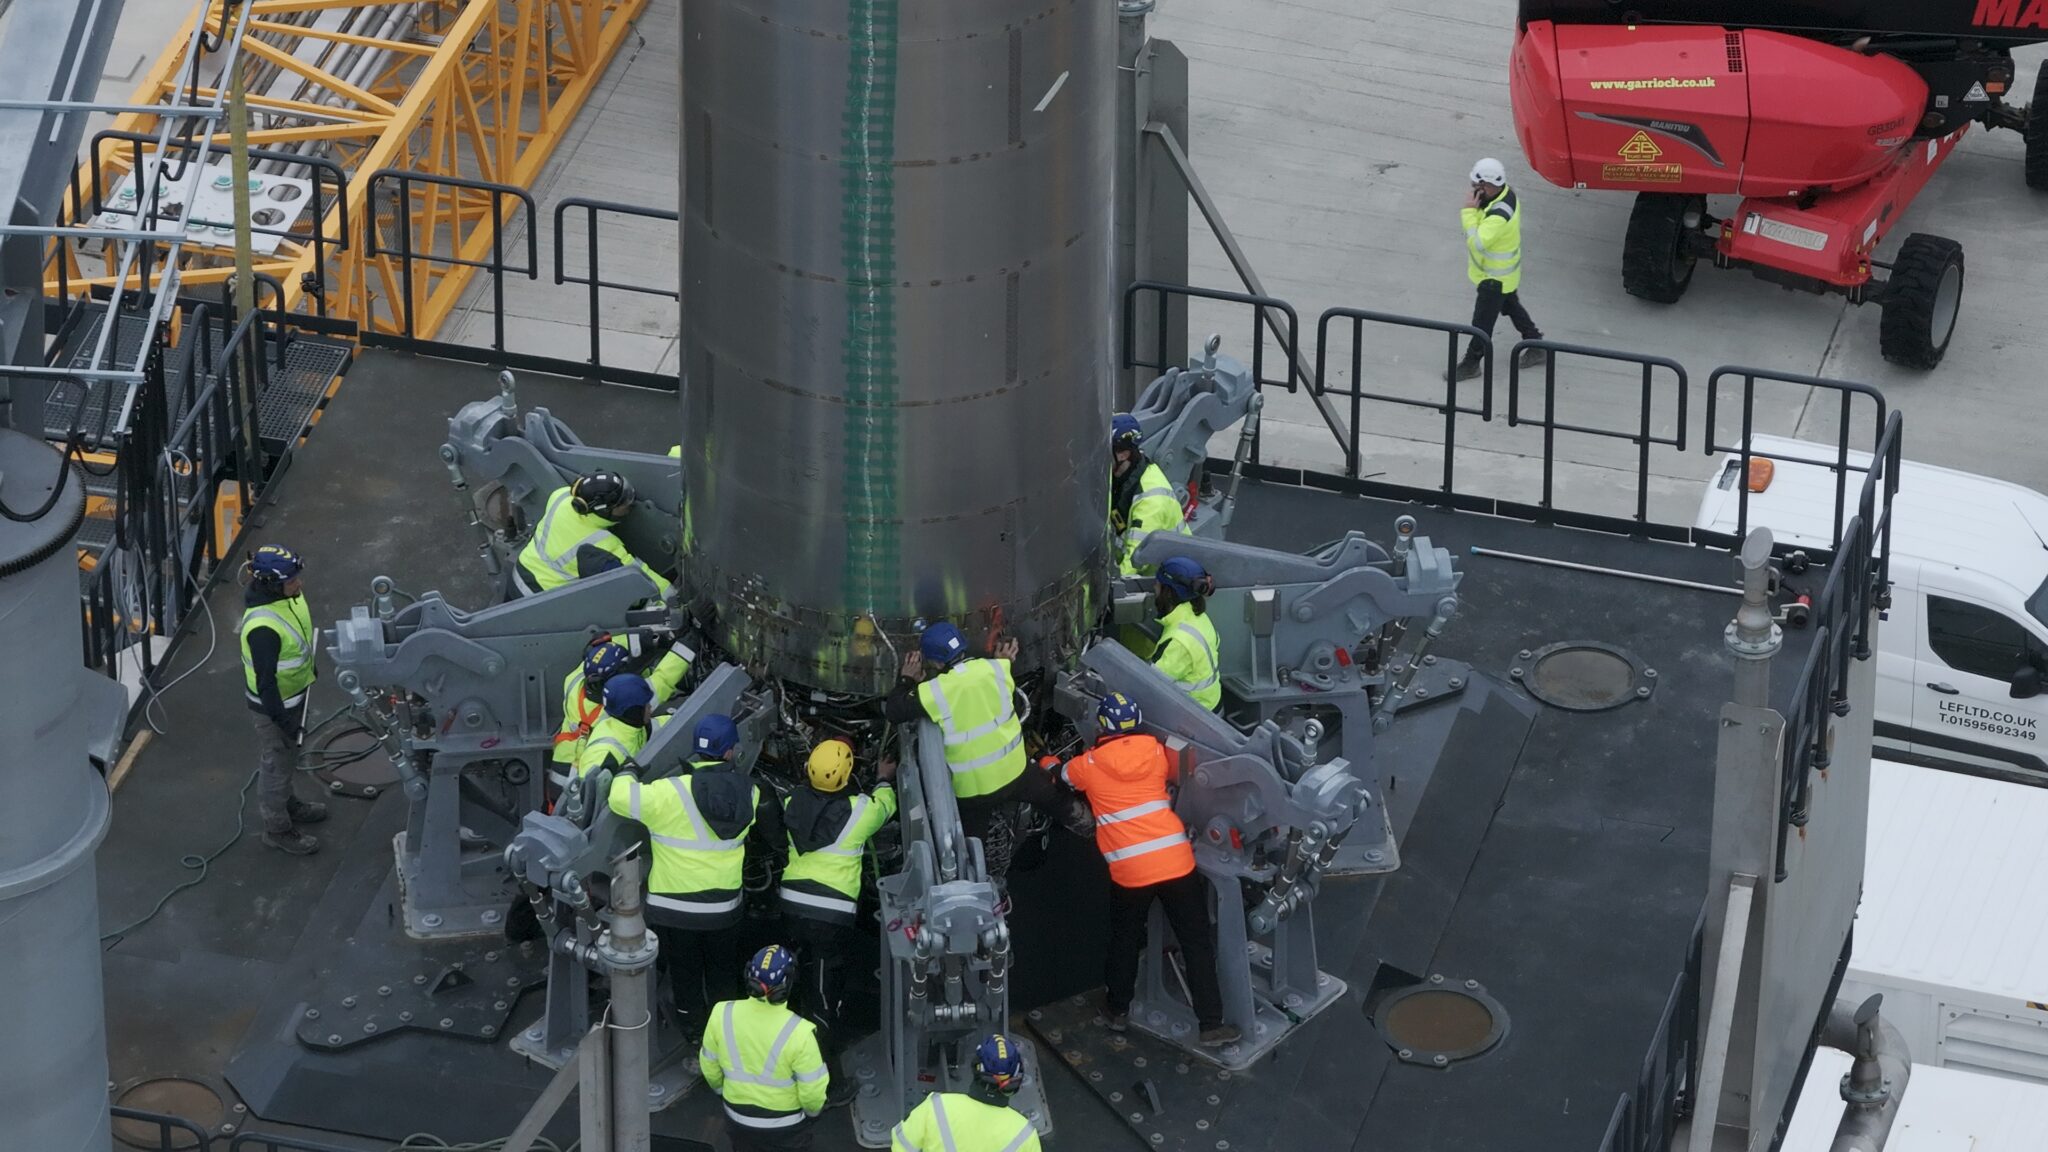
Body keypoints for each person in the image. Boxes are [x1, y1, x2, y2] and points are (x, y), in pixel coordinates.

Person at [1059, 692, 1240, 1048]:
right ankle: (1211, 1024)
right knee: (1196, 941)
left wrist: (1049, 762)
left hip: (1131, 871)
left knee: (1125, 939)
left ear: (1102, 725)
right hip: (1175, 860)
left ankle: (1116, 1010)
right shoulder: (1156, 753)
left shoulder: (1089, 764)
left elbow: (1063, 776)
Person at [608, 713, 785, 1039]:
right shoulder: (751, 793)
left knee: (685, 973)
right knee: (722, 971)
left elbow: (618, 797)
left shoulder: (666, 793)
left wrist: (628, 770)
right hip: (723, 910)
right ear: (730, 752)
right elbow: (772, 832)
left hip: (673, 912)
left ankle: (692, 1029)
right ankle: (724, 1030)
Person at [881, 622, 1091, 875]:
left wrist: (907, 679)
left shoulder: (935, 691)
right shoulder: (996, 669)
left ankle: (976, 879)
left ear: (935, 662)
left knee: (970, 846)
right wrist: (1002, 659)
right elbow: (1010, 692)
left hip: (974, 792)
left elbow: (895, 710)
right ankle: (1089, 825)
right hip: (1017, 773)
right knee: (1055, 797)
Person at [780, 740, 898, 1098]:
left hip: (791, 906)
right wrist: (883, 777)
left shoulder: (791, 801)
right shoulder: (861, 811)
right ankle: (830, 1083)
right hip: (830, 916)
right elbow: (887, 805)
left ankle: (782, 1047)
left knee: (793, 978)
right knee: (823, 995)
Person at [239, 543, 328, 855]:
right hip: (275, 708)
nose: (298, 584)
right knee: (276, 765)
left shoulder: (287, 597)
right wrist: (284, 722)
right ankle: (277, 829)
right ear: (273, 584)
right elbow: (266, 684)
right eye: (292, 580)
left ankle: (288, 804)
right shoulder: (263, 629)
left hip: (294, 695)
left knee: (287, 760)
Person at [699, 945, 830, 1150]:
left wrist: (721, 1092)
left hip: (737, 1118)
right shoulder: (801, 1032)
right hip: (786, 1127)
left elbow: (709, 1066)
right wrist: (812, 1113)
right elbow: (812, 1093)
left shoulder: (721, 1013)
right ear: (788, 982)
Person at [1450, 157, 1547, 383]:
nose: (1474, 190)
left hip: (1494, 279)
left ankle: (1471, 364)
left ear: (1489, 185)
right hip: (1503, 275)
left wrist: (1468, 212)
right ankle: (1536, 344)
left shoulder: (1498, 215)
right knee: (1512, 306)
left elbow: (1478, 242)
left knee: (1481, 324)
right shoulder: (1504, 195)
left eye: (1478, 186)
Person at [552, 635, 693, 786]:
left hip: (563, 761)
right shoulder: (617, 707)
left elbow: (602, 653)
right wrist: (685, 648)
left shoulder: (575, 680)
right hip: (574, 779)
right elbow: (662, 681)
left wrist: (646, 639)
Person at [513, 470, 673, 599]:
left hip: (520, 570)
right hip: (537, 596)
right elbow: (638, 578)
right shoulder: (599, 545)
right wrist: (670, 595)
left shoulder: (560, 496)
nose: (630, 503)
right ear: (604, 510)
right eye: (624, 503)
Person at [890, 1033, 1041, 1152]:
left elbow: (902, 1144)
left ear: (975, 1067)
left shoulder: (937, 1107)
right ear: (1016, 1079)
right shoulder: (1025, 1134)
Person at [1109, 413, 1188, 578]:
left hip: (1164, 580)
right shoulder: (1122, 477)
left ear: (1123, 454)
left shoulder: (1151, 501)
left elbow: (1135, 561)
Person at [1151, 557, 1222, 711]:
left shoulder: (1179, 642)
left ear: (1168, 593)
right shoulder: (1198, 617)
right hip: (1211, 704)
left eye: (1158, 584)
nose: (1154, 587)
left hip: (1195, 715)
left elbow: (1151, 684)